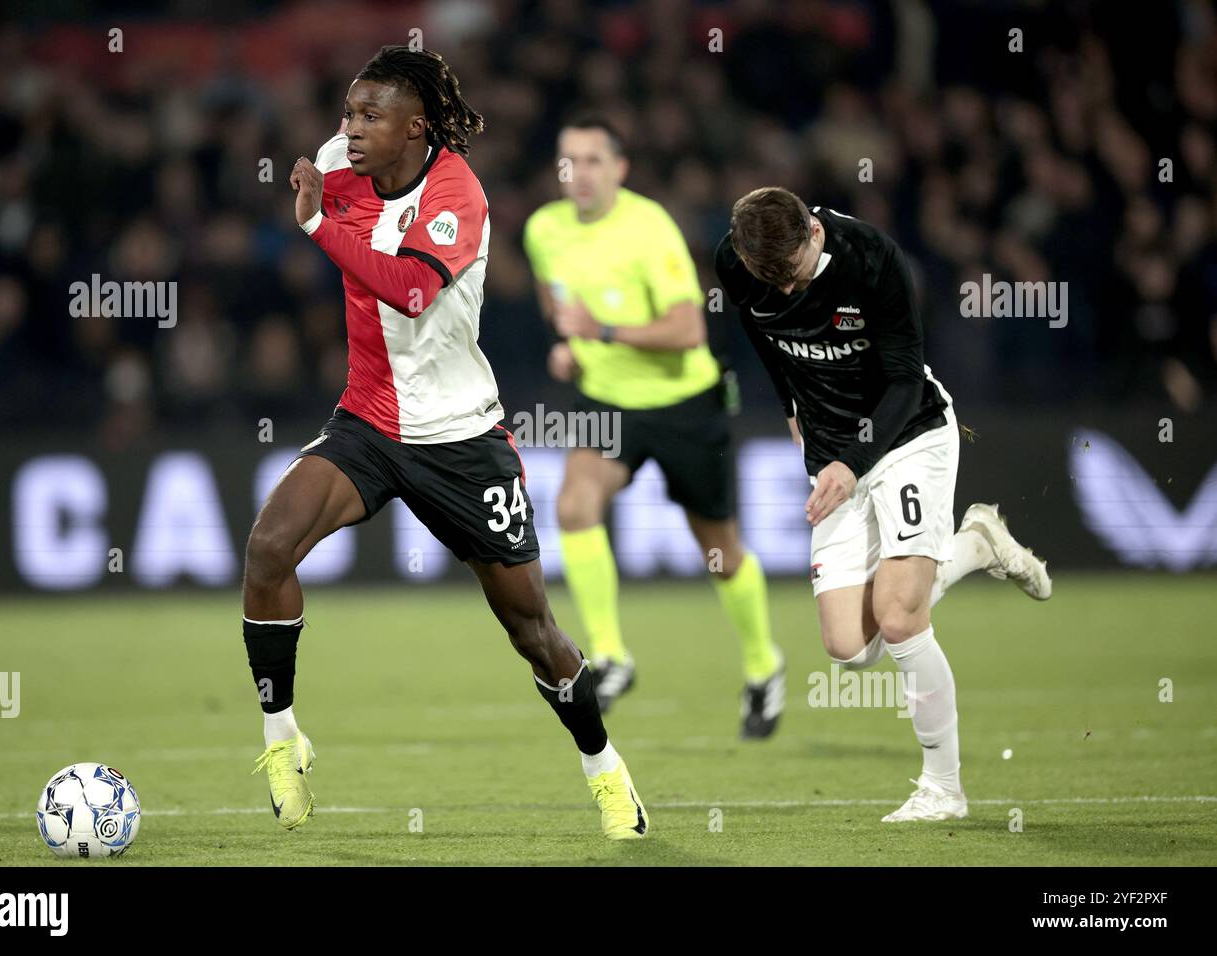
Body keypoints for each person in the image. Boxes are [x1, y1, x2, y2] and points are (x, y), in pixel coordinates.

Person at [242, 47, 647, 841]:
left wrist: (319, 222)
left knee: (530, 627)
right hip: (367, 422)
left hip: (462, 437)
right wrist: (322, 205)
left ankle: (606, 769)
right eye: (349, 113)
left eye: (370, 116)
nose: (350, 130)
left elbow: (415, 291)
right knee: (267, 548)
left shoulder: (457, 189)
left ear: (415, 127)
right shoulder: (338, 162)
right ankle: (281, 738)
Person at [716, 187, 1051, 821]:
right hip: (831, 451)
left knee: (899, 618)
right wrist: (791, 404)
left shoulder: (874, 261)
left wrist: (852, 462)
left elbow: (904, 377)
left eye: (789, 276)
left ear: (813, 233)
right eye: (769, 280)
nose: (784, 293)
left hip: (906, 436)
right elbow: (759, 328)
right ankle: (975, 546)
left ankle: (943, 788)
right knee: (848, 646)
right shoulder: (739, 264)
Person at [524, 115, 785, 737]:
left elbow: (689, 332)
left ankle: (761, 664)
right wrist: (571, 345)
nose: (578, 173)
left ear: (619, 168)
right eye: (568, 160)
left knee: (718, 551)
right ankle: (611, 656)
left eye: (592, 160)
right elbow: (555, 300)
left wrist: (602, 331)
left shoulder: (650, 228)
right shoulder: (544, 229)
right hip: (608, 402)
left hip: (683, 401)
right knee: (574, 503)